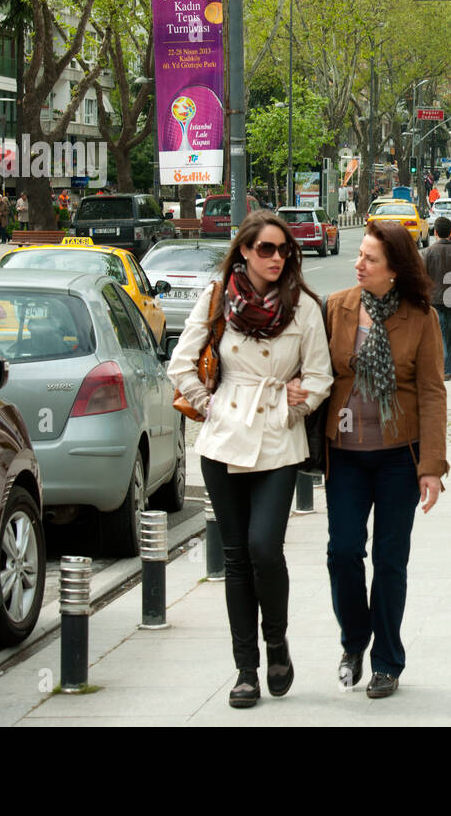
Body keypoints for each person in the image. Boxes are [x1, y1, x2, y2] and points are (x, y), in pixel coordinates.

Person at [168, 211, 333, 708]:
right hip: (223, 442)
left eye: (284, 250)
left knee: (265, 547)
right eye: (266, 249)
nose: (277, 258)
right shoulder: (218, 298)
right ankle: (246, 669)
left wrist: (291, 406)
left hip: (278, 439)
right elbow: (181, 362)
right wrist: (208, 404)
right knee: (236, 557)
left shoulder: (304, 307)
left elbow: (321, 377)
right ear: (244, 250)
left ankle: (277, 642)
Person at [309, 221, 447, 699]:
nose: (358, 263)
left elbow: (432, 391)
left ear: (395, 269)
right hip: (344, 454)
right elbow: (313, 369)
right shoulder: (337, 307)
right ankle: (354, 641)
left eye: (370, 258)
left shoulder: (420, 317)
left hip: (397, 458)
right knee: (343, 551)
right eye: (360, 255)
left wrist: (432, 465)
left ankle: (387, 660)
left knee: (391, 559)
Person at [422, 215, 451, 381]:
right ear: (450, 233)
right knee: (450, 333)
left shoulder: (426, 253)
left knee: (439, 334)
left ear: (435, 232)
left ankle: (445, 368)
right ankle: (447, 367)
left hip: (434, 300)